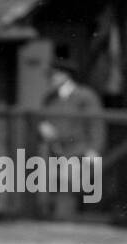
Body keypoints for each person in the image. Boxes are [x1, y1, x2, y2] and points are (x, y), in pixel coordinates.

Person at [36, 59, 105, 220]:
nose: (51, 78)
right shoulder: (50, 98)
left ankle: (64, 224)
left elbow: (96, 124)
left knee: (68, 191)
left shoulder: (85, 96)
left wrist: (94, 149)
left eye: (55, 74)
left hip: (78, 151)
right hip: (54, 152)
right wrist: (43, 129)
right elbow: (43, 122)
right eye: (50, 74)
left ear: (66, 76)